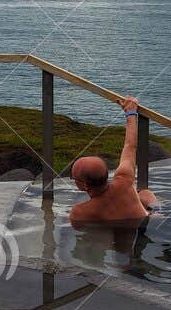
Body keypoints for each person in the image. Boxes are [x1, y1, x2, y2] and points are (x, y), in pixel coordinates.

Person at [68, 96, 160, 225]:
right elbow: (130, 146)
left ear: (84, 185)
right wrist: (130, 112)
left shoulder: (80, 212)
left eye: (74, 179)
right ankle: (159, 214)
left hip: (122, 234)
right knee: (145, 193)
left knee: (144, 194)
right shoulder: (125, 180)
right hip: (146, 223)